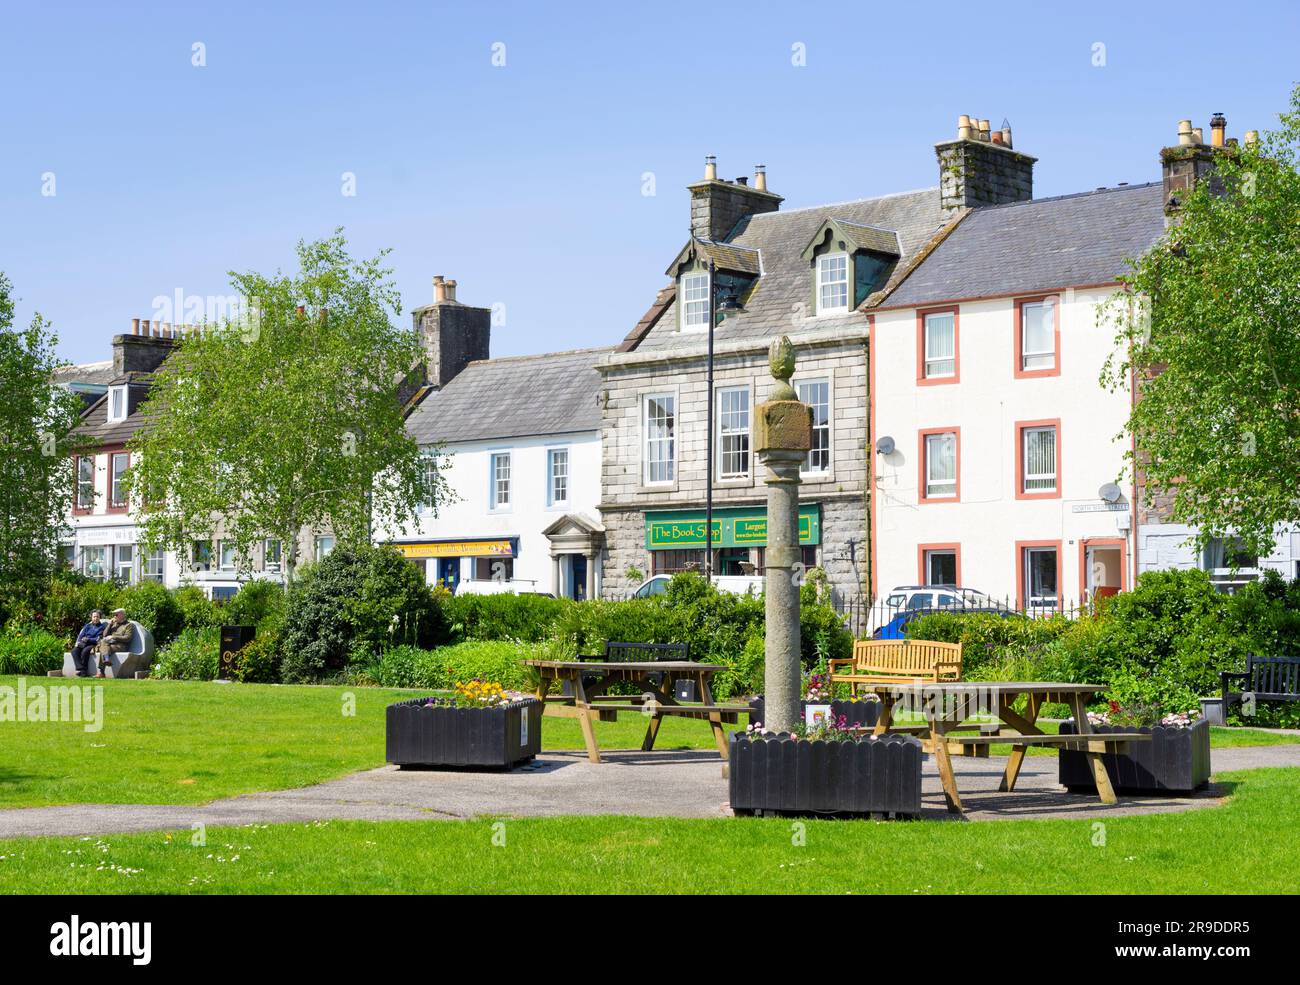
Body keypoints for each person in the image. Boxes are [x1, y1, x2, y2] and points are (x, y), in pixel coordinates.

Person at [93, 609, 136, 678]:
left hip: (120, 646)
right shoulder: (113, 624)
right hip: (109, 644)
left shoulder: (128, 625)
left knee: (103, 648)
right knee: (103, 642)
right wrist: (110, 624)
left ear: (122, 615)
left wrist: (114, 637)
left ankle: (102, 672)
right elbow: (104, 635)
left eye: (116, 615)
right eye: (114, 615)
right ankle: (106, 659)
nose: (114, 616)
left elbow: (128, 638)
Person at [70, 610, 105, 677]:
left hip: (93, 644)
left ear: (100, 618)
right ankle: (81, 669)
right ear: (91, 618)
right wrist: (79, 641)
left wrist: (88, 639)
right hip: (83, 643)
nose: (95, 618)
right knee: (74, 651)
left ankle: (83, 672)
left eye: (97, 617)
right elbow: (81, 635)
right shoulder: (87, 626)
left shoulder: (102, 627)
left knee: (85, 651)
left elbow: (98, 639)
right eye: (94, 617)